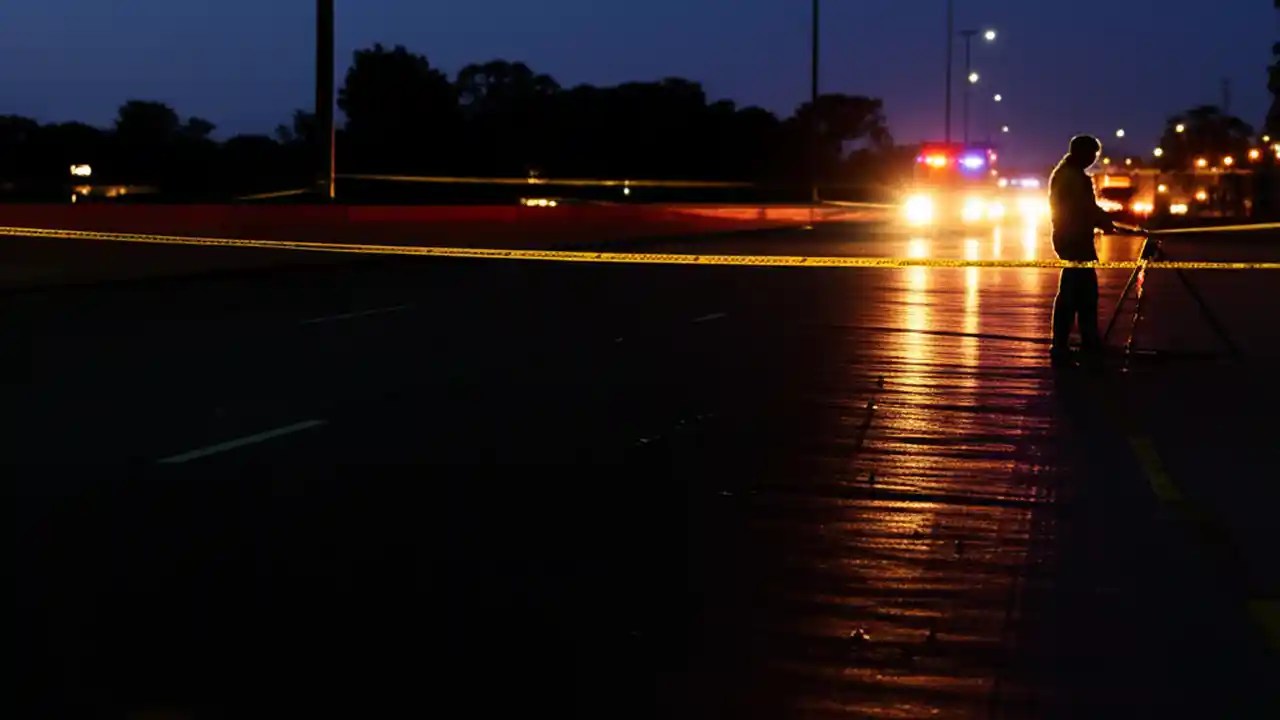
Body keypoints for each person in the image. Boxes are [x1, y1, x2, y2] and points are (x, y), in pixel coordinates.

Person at [1048, 134, 1144, 368]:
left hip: (1072, 237)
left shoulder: (1068, 174)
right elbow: (1084, 209)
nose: (1093, 159)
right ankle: (1071, 343)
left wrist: (1105, 220)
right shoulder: (1072, 178)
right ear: (1081, 152)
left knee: (1078, 292)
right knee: (1079, 293)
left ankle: (1077, 341)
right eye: (1092, 155)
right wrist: (1110, 220)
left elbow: (1086, 209)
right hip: (1074, 239)